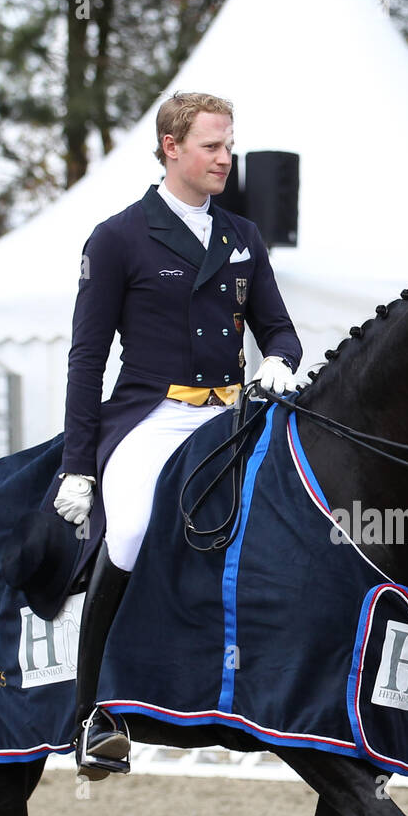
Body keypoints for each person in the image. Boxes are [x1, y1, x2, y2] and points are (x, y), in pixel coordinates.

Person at [53, 91, 302, 778]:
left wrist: (279, 361)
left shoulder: (243, 237)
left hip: (232, 413)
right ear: (172, 147)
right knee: (130, 530)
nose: (226, 158)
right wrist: (80, 463)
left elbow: (277, 328)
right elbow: (86, 357)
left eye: (229, 146)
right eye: (212, 147)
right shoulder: (119, 237)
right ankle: (94, 714)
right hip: (154, 413)